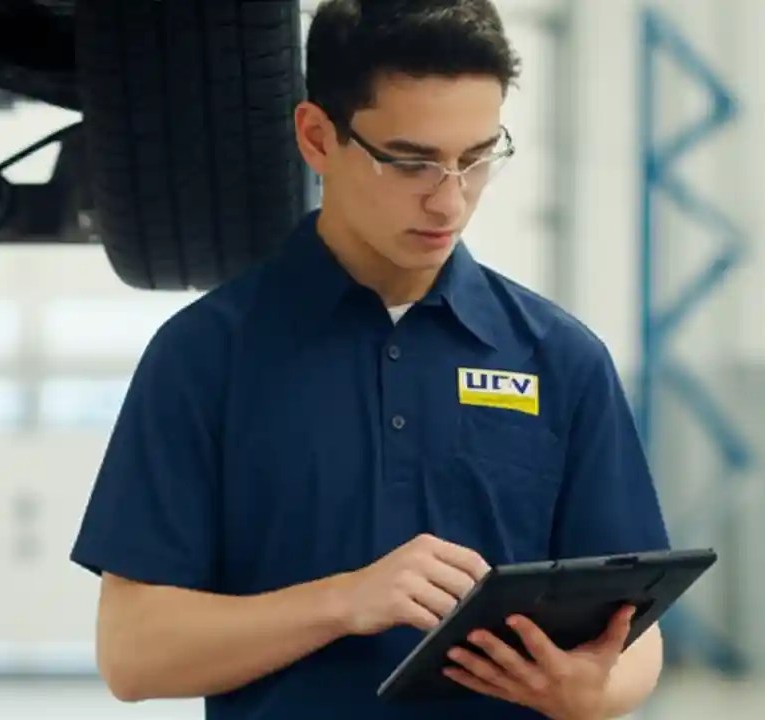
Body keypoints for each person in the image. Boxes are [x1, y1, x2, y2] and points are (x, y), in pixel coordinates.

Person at [69, 0, 672, 717]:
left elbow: (636, 637)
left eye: (477, 158)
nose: (450, 201)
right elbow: (134, 654)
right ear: (318, 137)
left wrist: (592, 692)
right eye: (411, 162)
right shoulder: (206, 357)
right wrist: (343, 601)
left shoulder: (560, 359)